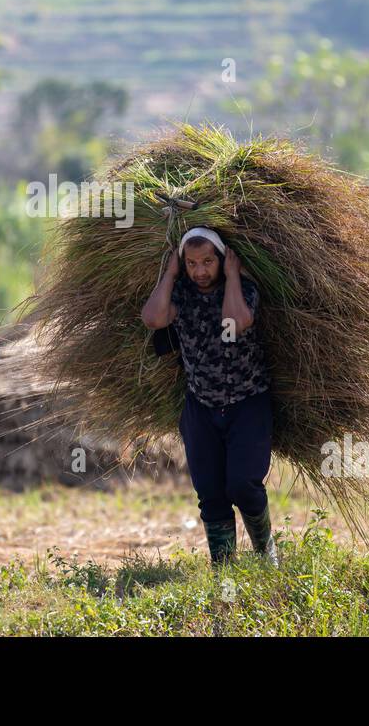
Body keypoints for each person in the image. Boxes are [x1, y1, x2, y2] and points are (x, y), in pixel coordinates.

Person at [141, 226, 278, 567]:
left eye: (207, 262)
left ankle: (265, 554)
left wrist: (232, 276)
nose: (200, 271)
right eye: (191, 263)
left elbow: (236, 320)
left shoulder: (243, 289)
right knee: (211, 496)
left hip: (247, 404)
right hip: (201, 409)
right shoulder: (181, 294)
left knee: (243, 485)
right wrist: (171, 274)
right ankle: (224, 571)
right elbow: (153, 318)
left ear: (222, 259)